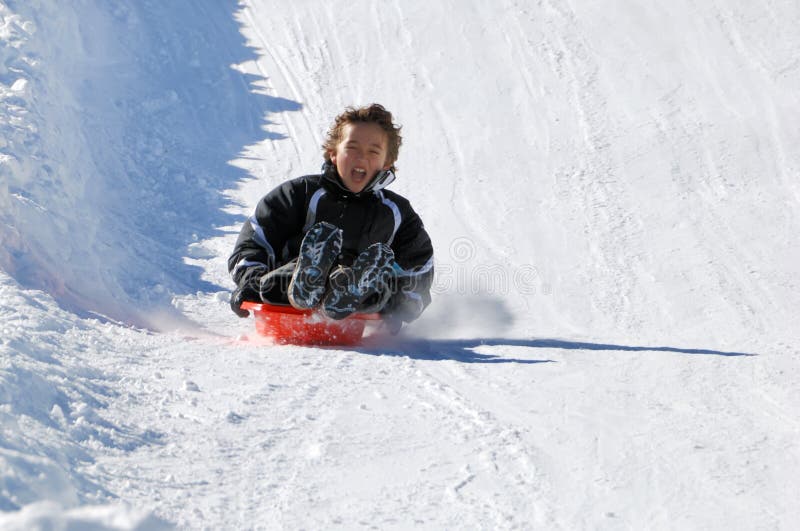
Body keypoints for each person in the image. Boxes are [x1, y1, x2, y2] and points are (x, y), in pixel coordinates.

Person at [228, 103, 434, 332]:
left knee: (375, 284)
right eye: (352, 148)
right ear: (333, 153)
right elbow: (255, 241)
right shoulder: (299, 193)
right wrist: (250, 282)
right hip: (284, 298)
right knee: (289, 274)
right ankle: (309, 277)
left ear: (387, 162)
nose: (361, 158)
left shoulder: (397, 213)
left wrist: (400, 305)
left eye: (373, 152)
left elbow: (419, 268)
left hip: (356, 308)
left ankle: (348, 286)